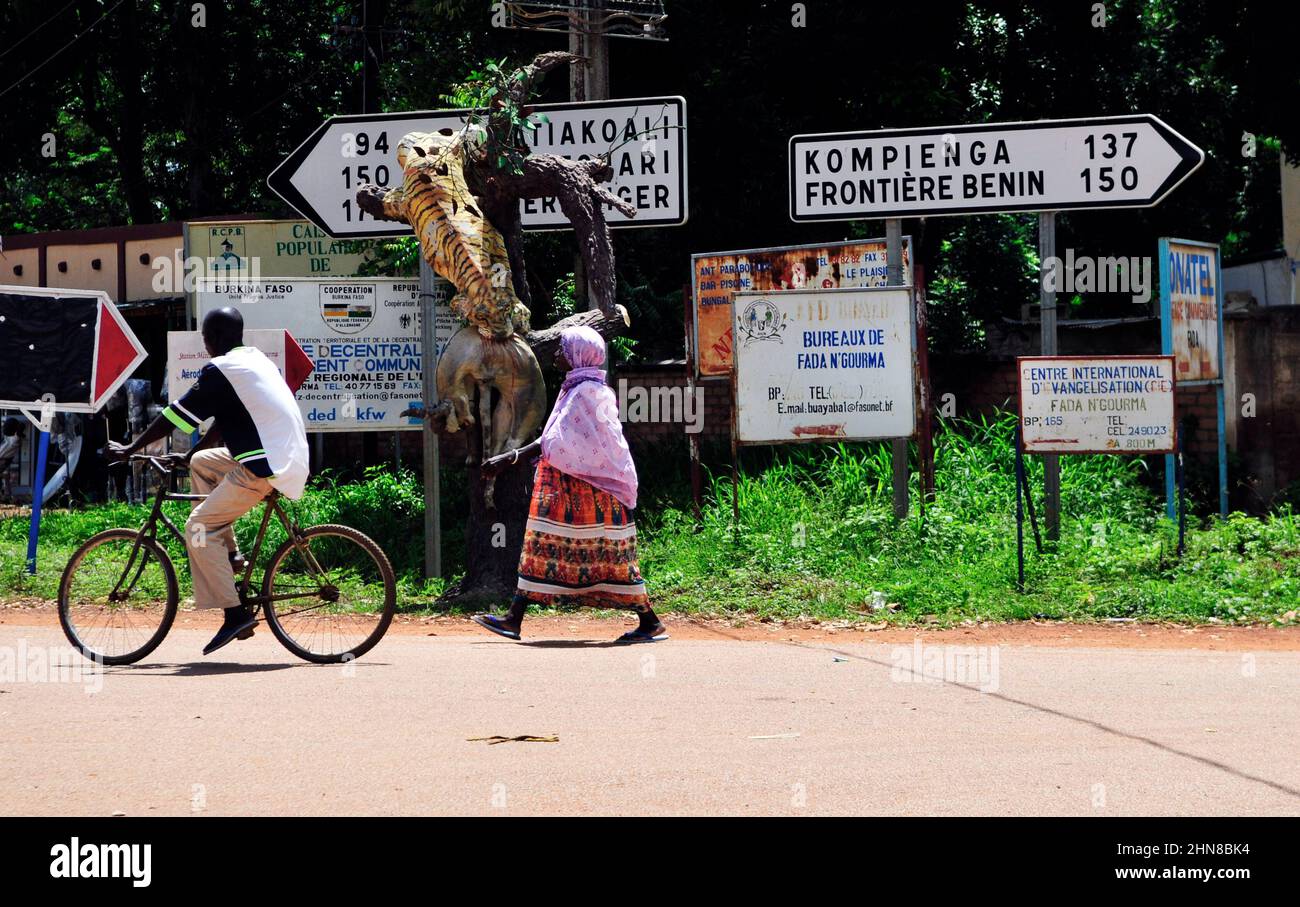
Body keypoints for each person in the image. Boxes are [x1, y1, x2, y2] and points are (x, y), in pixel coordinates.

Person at [106, 308, 309, 655]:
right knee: (201, 464)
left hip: (265, 466)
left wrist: (131, 447)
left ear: (211, 339)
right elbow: (223, 419)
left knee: (197, 526)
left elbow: (175, 416)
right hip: (281, 456)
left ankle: (234, 614)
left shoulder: (221, 369)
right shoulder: (254, 361)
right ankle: (230, 555)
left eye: (204, 339)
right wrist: (190, 453)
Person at [471, 326, 668, 643]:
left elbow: (559, 442)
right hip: (572, 487)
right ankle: (514, 618)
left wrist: (511, 458)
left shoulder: (586, 393)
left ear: (579, 355)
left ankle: (650, 621)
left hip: (591, 490)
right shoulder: (579, 389)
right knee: (542, 547)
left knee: (609, 556)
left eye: (563, 350)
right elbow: (556, 439)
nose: (558, 355)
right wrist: (513, 457)